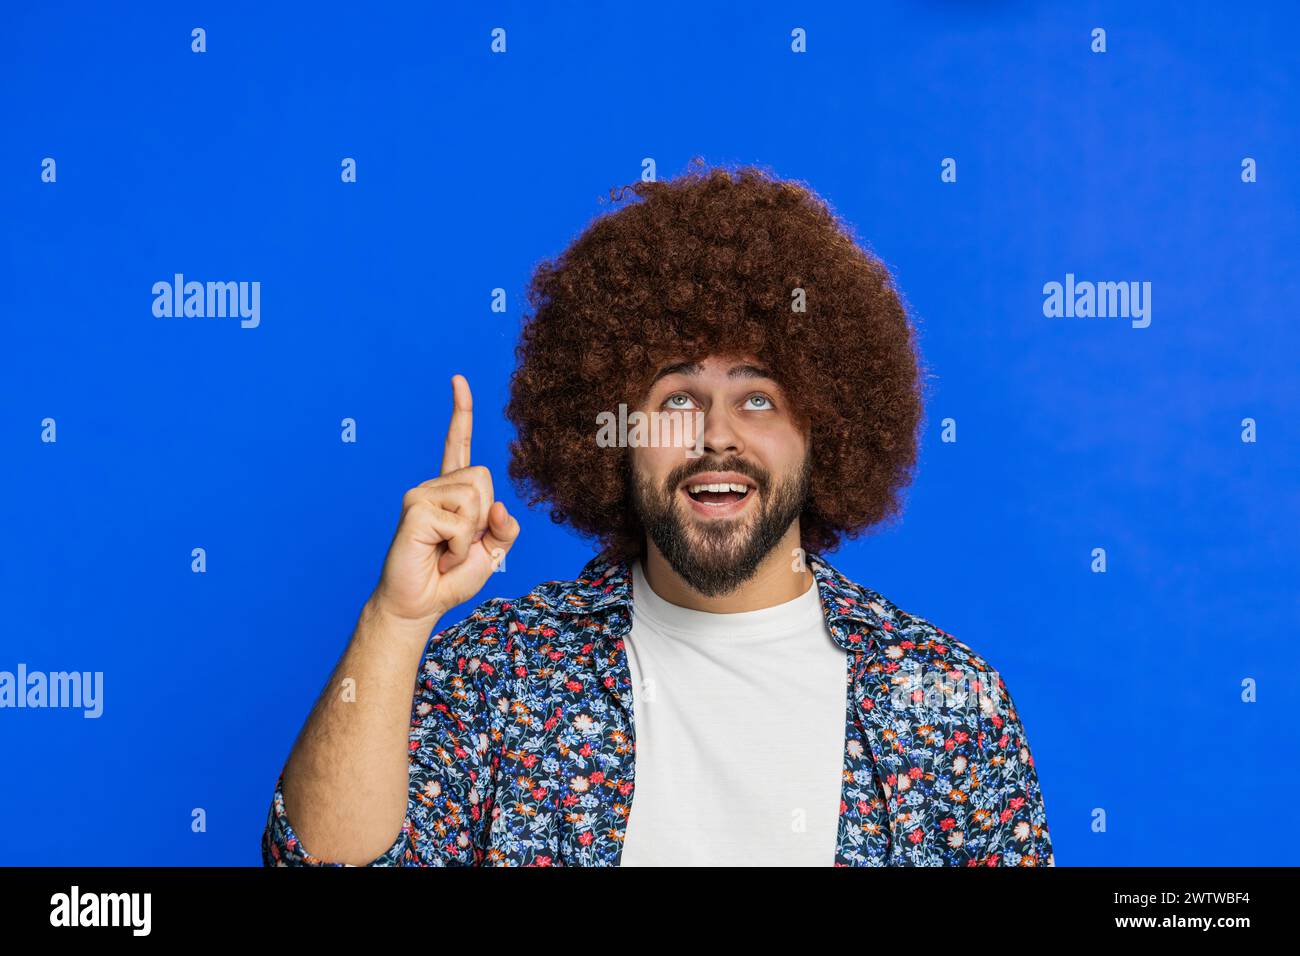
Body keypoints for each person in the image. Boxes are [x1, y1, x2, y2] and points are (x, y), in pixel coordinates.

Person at [261, 161, 1054, 867]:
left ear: (826, 430)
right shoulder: (496, 675)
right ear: (614, 432)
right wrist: (396, 620)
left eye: (758, 398)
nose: (715, 436)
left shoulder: (944, 703)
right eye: (676, 399)